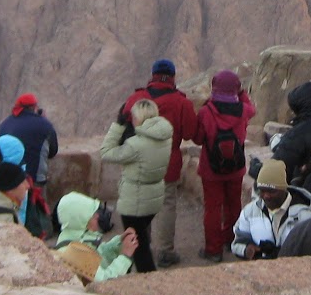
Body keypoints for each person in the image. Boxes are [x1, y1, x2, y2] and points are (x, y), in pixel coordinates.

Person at [119, 59, 199, 269]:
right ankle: (164, 251)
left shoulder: (136, 98)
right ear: (172, 77)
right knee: (165, 205)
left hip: (135, 162)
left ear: (153, 75)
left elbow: (120, 127)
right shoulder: (181, 102)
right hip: (166, 163)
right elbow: (192, 133)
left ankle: (136, 248)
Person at [99, 98, 172, 272]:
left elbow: (106, 152)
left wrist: (118, 125)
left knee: (138, 246)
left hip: (135, 201)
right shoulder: (164, 137)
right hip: (153, 197)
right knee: (142, 239)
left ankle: (148, 282)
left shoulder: (135, 145)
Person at [196, 70, 253, 263]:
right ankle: (232, 240)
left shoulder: (206, 112)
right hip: (235, 168)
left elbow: (197, 138)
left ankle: (213, 249)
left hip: (211, 169)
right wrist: (241, 93)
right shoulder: (244, 110)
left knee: (212, 209)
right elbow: (251, 108)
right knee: (233, 204)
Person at [232, 159, 311, 260]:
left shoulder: (303, 216)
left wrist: (281, 253)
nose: (266, 196)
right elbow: (237, 242)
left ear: (283, 189)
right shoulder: (250, 211)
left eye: (271, 191)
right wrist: (246, 249)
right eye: (262, 191)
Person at [53, 191, 138, 284]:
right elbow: (104, 281)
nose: (99, 216)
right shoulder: (74, 251)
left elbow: (97, 255)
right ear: (83, 221)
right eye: (94, 214)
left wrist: (118, 244)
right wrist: (125, 256)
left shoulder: (77, 240)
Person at [0, 93, 58, 184]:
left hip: (8, 182)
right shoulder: (44, 125)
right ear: (34, 108)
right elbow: (53, 151)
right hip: (34, 180)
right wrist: (43, 120)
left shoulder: (4, 124)